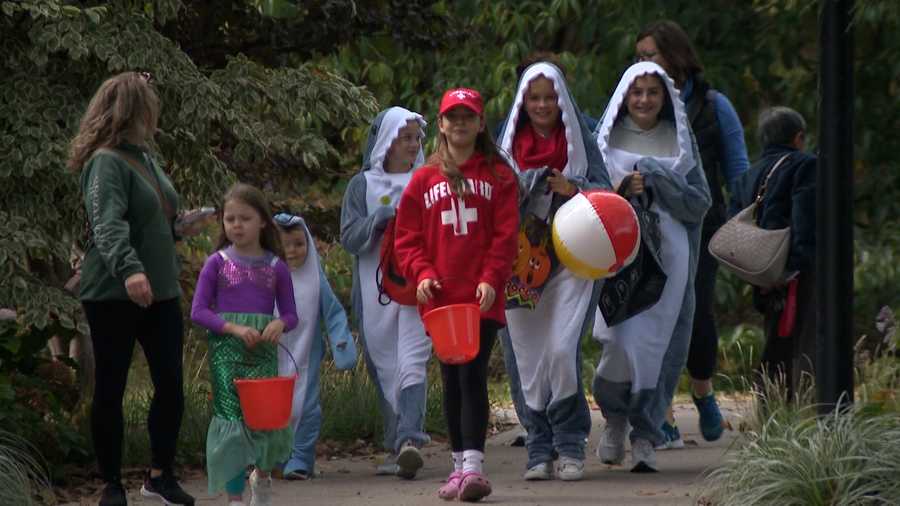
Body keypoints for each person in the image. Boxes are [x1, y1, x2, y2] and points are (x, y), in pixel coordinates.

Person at [68, 71, 197, 506]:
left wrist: (178, 227)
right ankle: (111, 484)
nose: (154, 114)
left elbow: (148, 220)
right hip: (113, 292)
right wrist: (130, 270)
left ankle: (160, 476)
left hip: (160, 290)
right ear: (131, 110)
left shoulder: (144, 158)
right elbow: (107, 225)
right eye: (149, 106)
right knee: (111, 385)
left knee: (170, 383)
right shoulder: (105, 161)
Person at [394, 88, 518, 502]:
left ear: (481, 123)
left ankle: (474, 469)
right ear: (441, 124)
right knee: (451, 378)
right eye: (453, 117)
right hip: (441, 299)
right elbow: (406, 238)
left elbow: (505, 237)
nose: (460, 124)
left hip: (481, 297)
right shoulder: (423, 178)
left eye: (469, 117)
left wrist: (490, 278)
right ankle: (456, 467)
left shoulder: (499, 175)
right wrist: (422, 274)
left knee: (473, 375)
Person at [635, 20, 750, 447]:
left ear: (674, 56)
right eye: (638, 56)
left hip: (702, 225)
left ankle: (702, 390)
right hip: (646, 226)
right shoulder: (637, 103)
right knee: (652, 314)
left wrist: (745, 218)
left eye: (650, 54)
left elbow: (738, 168)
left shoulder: (714, 105)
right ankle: (661, 411)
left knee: (695, 313)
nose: (642, 64)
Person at [495, 62, 611, 481]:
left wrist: (574, 187)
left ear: (561, 99)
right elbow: (493, 197)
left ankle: (570, 442)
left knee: (562, 350)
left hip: (573, 259)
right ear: (522, 102)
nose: (543, 105)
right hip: (521, 264)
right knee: (528, 359)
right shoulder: (505, 144)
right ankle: (538, 448)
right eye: (534, 97)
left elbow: (606, 190)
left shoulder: (579, 138)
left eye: (550, 97)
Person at [592, 61, 710, 472]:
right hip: (618, 254)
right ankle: (615, 421)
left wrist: (660, 177)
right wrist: (621, 190)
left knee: (654, 349)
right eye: (637, 91)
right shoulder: (604, 139)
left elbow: (699, 203)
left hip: (668, 258)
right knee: (618, 344)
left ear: (666, 98)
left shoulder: (679, 138)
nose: (644, 99)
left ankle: (645, 434)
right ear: (625, 95)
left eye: (653, 92)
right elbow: (588, 195)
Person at [339, 107, 433, 479]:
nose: (413, 145)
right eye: (405, 138)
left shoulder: (425, 180)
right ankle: (398, 443)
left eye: (416, 138)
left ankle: (411, 438)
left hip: (415, 287)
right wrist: (377, 222)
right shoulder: (361, 186)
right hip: (374, 290)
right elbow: (349, 237)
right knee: (384, 364)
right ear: (386, 142)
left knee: (412, 360)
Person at [190, 183, 298, 506]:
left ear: (263, 221)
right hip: (227, 351)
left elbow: (292, 314)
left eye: (245, 218)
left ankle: (262, 479)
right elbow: (198, 311)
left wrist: (280, 323)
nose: (236, 225)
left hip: (262, 351)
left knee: (264, 418)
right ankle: (235, 496)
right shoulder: (217, 263)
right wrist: (232, 328)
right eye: (230, 219)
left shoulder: (276, 267)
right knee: (231, 420)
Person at [731, 107, 816, 401]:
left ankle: (772, 409)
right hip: (793, 272)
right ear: (799, 138)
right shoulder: (804, 165)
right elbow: (805, 220)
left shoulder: (746, 177)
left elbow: (734, 222)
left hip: (761, 272)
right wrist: (793, 267)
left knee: (778, 336)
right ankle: (794, 408)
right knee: (800, 341)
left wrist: (760, 272)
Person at [273, 211, 358, 480]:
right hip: (273, 353)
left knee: (305, 407)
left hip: (306, 353)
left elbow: (333, 313)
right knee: (277, 407)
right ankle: (277, 457)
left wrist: (341, 343)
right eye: (286, 244)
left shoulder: (315, 279)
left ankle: (300, 458)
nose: (293, 250)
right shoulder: (267, 276)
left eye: (299, 243)